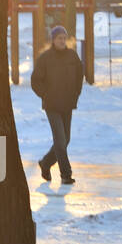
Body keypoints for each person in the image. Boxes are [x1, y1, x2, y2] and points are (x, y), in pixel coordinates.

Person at [30, 24, 84, 186]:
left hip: (67, 104)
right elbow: (35, 81)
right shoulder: (45, 58)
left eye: (64, 38)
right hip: (52, 105)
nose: (62, 41)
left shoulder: (72, 56)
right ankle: (66, 175)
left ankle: (45, 163)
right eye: (59, 38)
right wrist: (45, 94)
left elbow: (79, 76)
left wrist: (75, 93)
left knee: (65, 140)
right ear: (53, 40)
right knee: (60, 140)